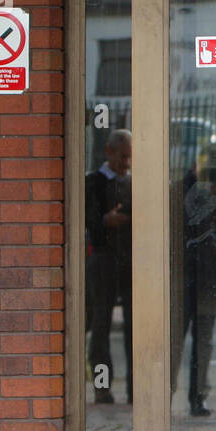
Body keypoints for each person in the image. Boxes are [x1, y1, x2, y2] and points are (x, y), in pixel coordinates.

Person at [173, 138, 216, 417]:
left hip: (211, 276)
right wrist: (193, 176)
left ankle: (198, 397)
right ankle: (165, 392)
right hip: (184, 273)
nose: (211, 173)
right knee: (174, 337)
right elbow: (173, 200)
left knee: (204, 339)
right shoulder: (185, 189)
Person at [86, 129, 133, 405]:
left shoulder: (131, 182)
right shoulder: (94, 182)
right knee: (100, 323)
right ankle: (102, 387)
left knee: (133, 325)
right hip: (102, 259)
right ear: (109, 152)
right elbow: (91, 221)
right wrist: (106, 221)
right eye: (123, 156)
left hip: (128, 260)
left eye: (129, 158)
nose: (126, 163)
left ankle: (135, 388)